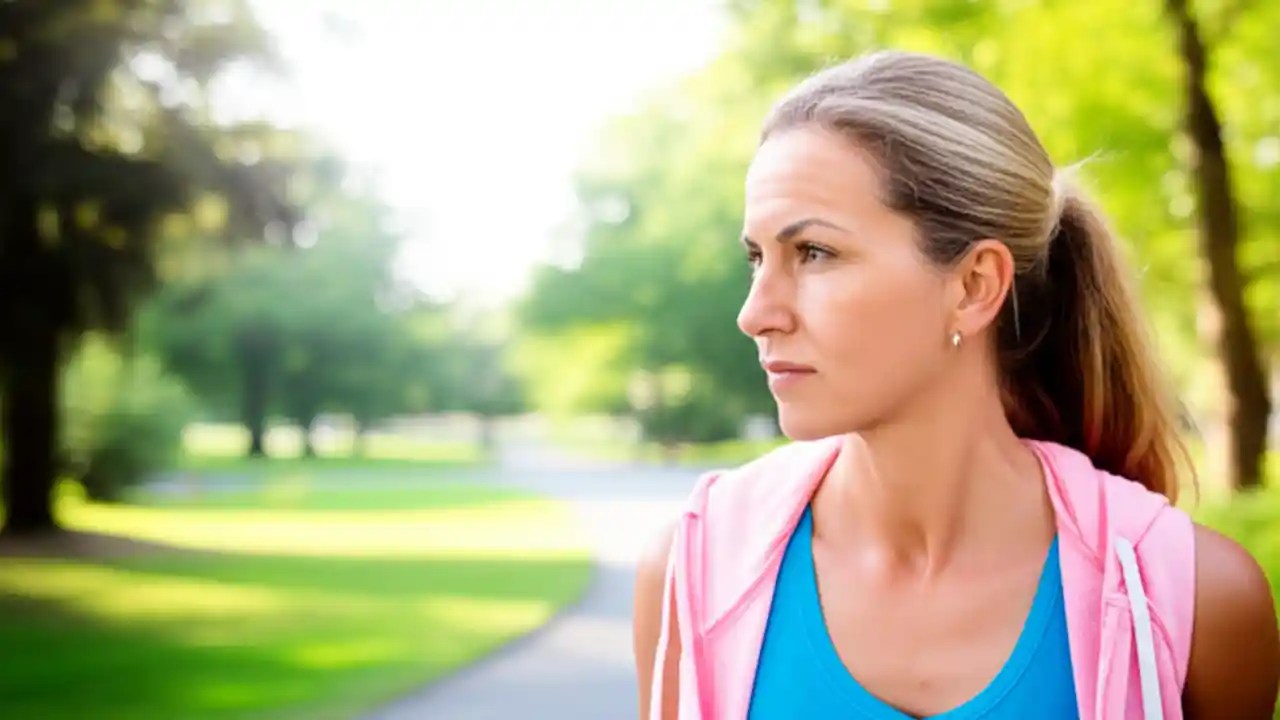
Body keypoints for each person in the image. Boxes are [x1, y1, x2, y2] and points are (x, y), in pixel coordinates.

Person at [633, 50, 1279, 719]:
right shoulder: (694, 573)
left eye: (814, 254)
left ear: (974, 287)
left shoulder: (1198, 603)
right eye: (757, 258)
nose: (755, 313)